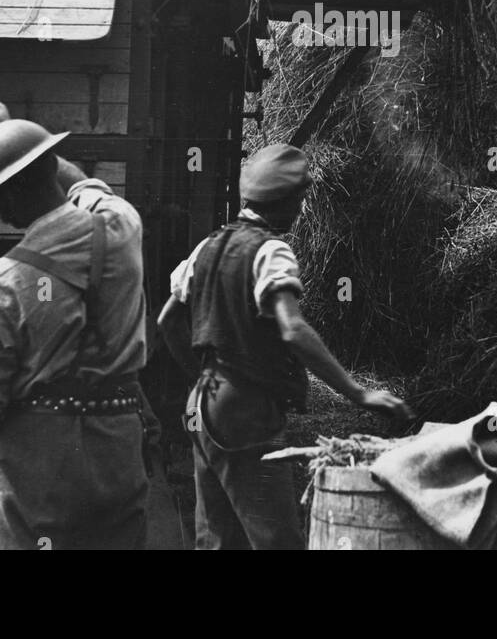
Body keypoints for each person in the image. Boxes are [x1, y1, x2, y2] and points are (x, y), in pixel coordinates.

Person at [157, 143, 411, 549]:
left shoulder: (206, 247)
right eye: (300, 199)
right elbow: (293, 330)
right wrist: (358, 392)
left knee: (216, 537)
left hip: (202, 404)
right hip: (245, 410)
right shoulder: (270, 251)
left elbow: (167, 320)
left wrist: (199, 373)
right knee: (277, 539)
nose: (300, 209)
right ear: (287, 201)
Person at [0, 92, 149, 548]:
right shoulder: (122, 226)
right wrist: (22, 139)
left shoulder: (0, 284)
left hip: (37, 459)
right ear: (49, 168)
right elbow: (83, 186)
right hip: (119, 446)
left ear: (4, 199)